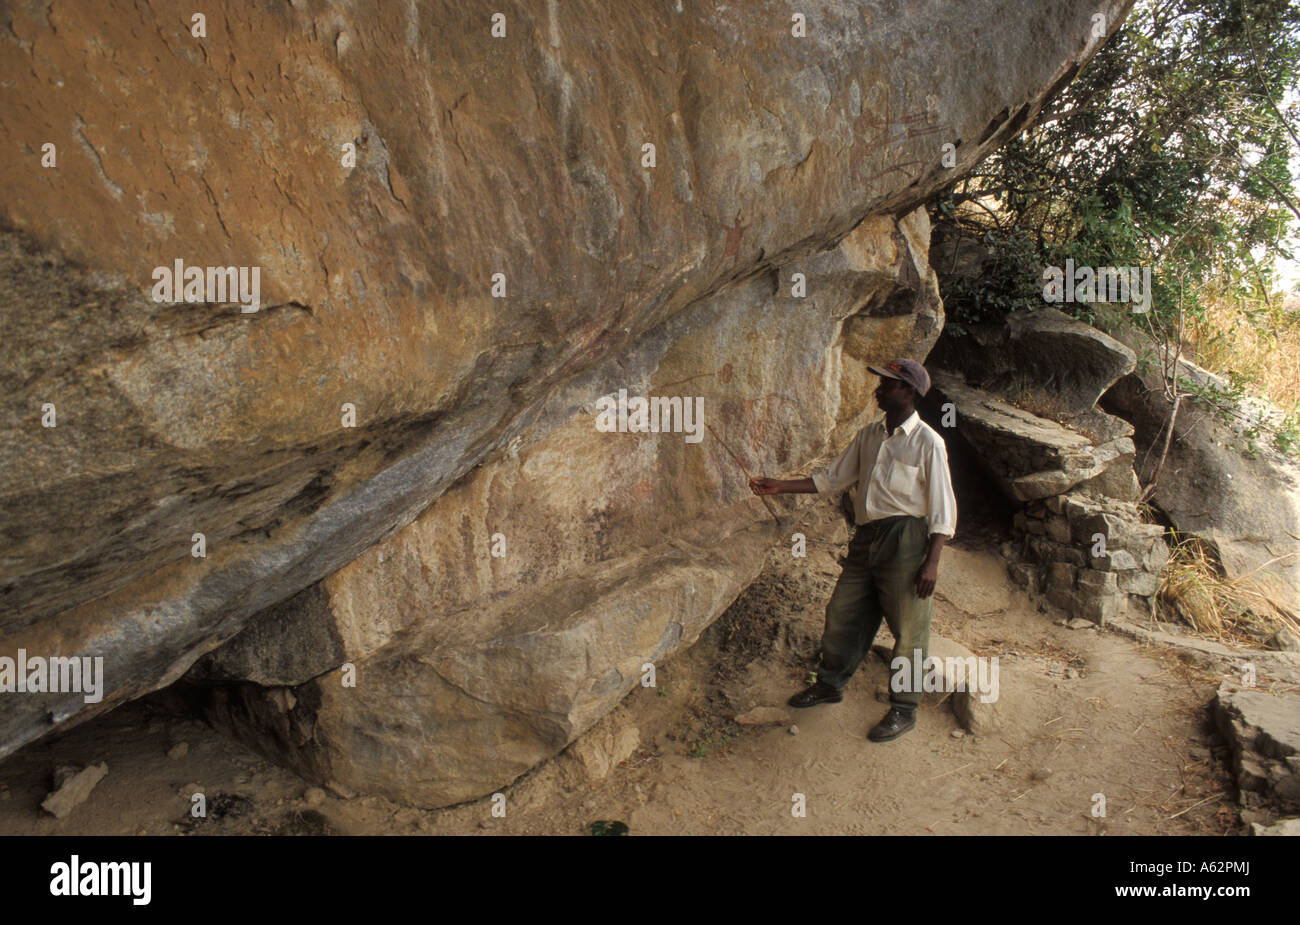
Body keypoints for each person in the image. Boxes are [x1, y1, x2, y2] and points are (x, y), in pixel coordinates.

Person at [748, 358, 957, 742]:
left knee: (910, 629)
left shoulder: (928, 442)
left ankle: (904, 709)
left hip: (907, 540)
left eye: (888, 384)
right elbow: (832, 479)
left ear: (909, 392)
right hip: (867, 537)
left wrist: (932, 562)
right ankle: (830, 685)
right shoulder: (870, 435)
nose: (879, 388)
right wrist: (779, 485)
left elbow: (943, 508)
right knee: (844, 613)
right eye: (881, 382)